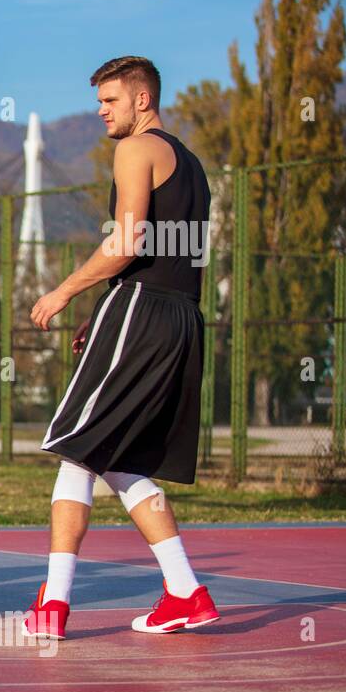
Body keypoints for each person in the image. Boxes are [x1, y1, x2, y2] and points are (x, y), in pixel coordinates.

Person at [26, 55, 219, 640]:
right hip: (181, 315)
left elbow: (130, 239)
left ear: (142, 99)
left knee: (75, 450)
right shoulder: (193, 165)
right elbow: (169, 255)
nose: (101, 112)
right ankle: (185, 590)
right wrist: (105, 314)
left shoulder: (135, 149)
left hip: (142, 308)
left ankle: (53, 607)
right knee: (120, 460)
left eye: (110, 101)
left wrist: (64, 291)